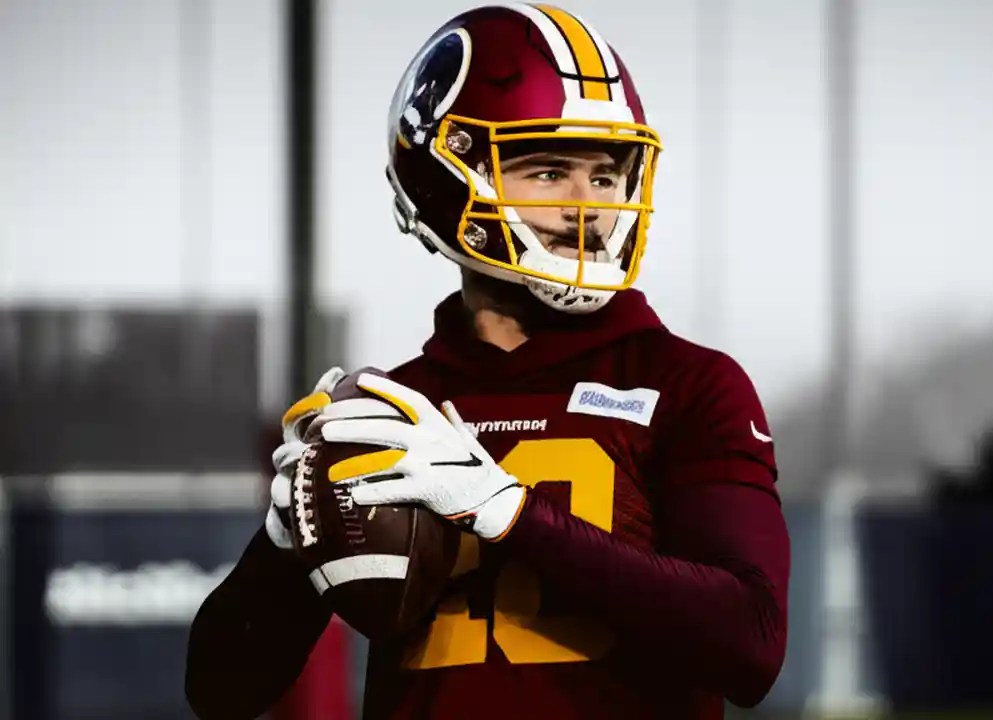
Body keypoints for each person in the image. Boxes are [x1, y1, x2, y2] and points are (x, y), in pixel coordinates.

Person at [185, 4, 789, 718]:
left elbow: (749, 645)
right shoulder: (391, 413)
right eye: (547, 170)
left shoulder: (689, 384)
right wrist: (283, 547)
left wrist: (507, 513)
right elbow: (219, 693)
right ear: (447, 172)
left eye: (604, 174)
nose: (586, 207)